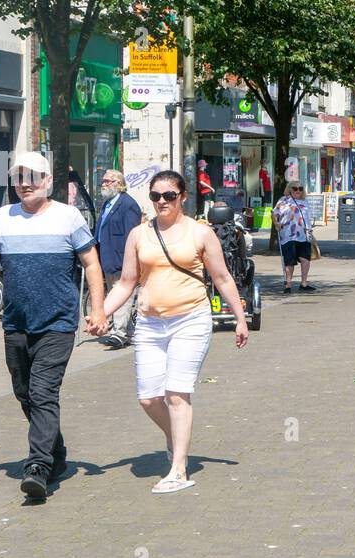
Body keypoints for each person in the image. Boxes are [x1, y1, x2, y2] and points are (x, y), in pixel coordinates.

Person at [0, 151, 108, 501]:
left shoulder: (68, 216)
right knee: (25, 393)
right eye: (19, 178)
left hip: (58, 323)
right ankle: (56, 452)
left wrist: (98, 309)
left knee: (43, 393)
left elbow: (91, 264)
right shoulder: (1, 218)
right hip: (16, 322)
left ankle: (38, 467)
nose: (25, 183)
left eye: (33, 177)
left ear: (48, 181)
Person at [97, 170, 249, 494]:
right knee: (149, 398)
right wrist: (101, 312)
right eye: (155, 196)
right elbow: (126, 282)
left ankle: (178, 468)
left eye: (168, 196)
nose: (161, 202)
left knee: (176, 393)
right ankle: (173, 436)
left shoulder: (200, 233)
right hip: (150, 323)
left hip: (190, 319)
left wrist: (240, 317)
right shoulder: (139, 235)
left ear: (182, 197)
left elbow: (221, 278)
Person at [95, 169, 144, 348]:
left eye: (108, 181)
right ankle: (129, 332)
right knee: (115, 293)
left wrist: (131, 259)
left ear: (118, 183)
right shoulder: (107, 204)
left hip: (121, 258)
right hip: (107, 258)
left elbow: (132, 234)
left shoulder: (127, 204)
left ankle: (119, 333)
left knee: (122, 294)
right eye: (103, 181)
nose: (104, 184)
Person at [273, 182, 315, 293]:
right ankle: (288, 284)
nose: (298, 191)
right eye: (295, 188)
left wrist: (310, 229)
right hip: (288, 234)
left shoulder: (305, 202)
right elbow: (274, 213)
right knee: (289, 261)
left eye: (300, 188)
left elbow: (307, 217)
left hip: (303, 234)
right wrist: (276, 223)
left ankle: (304, 283)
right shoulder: (283, 200)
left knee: (305, 259)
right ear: (289, 189)